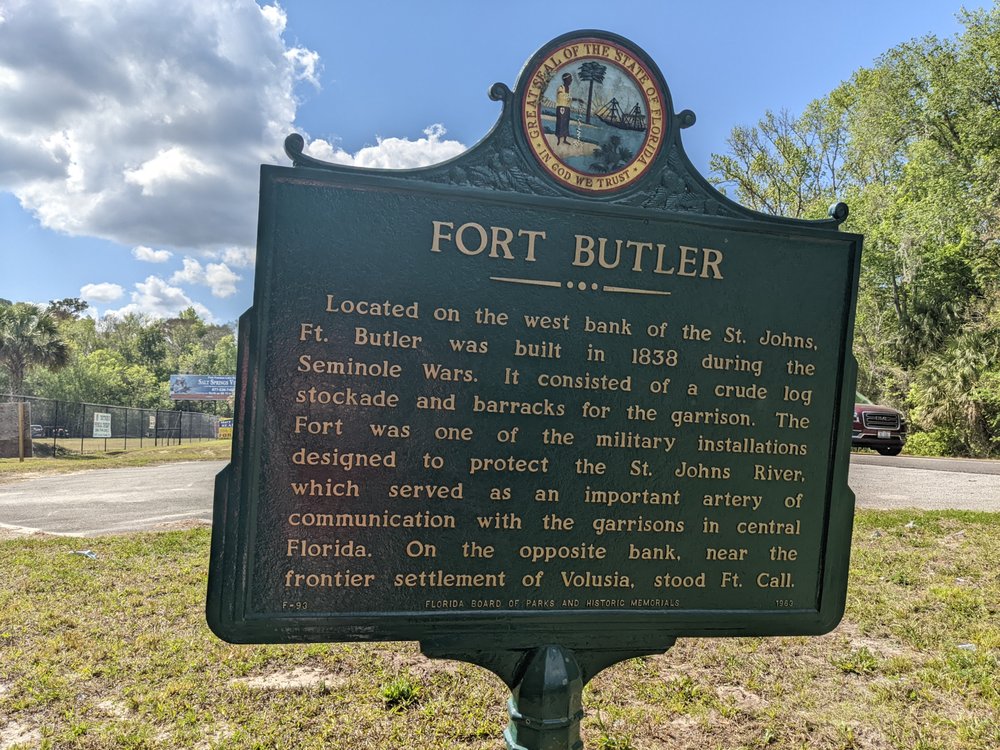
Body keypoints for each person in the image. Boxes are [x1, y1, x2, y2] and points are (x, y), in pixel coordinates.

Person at [555, 73, 573, 144]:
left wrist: (570, 99)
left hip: (567, 108)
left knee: (566, 123)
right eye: (570, 78)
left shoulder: (569, 89)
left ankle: (565, 139)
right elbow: (561, 96)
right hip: (561, 107)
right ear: (566, 79)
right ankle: (559, 140)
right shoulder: (561, 87)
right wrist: (571, 98)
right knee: (560, 123)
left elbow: (569, 99)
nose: (571, 80)